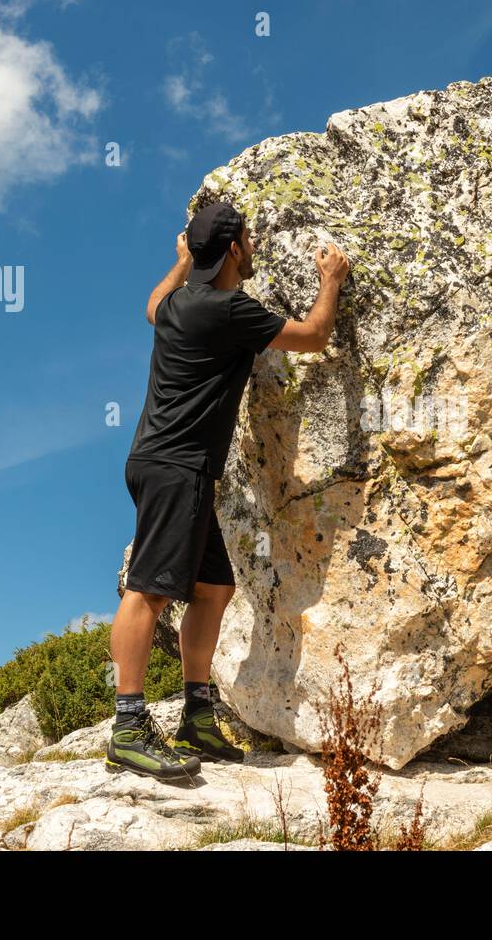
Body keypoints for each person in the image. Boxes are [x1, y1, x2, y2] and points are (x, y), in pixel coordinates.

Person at [105, 200, 350, 781]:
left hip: (162, 464)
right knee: (148, 591)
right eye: (248, 234)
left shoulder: (178, 303)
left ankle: (196, 713)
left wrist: (180, 262)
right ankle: (128, 727)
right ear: (235, 248)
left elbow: (150, 306)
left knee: (213, 586)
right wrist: (330, 280)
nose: (254, 239)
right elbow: (314, 336)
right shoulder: (227, 310)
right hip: (178, 467)